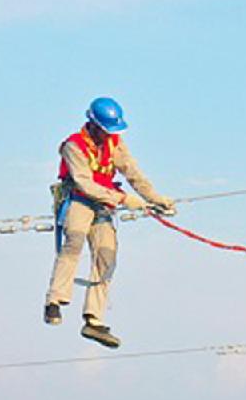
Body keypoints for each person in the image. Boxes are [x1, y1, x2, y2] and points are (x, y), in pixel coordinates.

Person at [44, 96, 175, 348]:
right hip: (79, 199)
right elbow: (84, 183)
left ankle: (93, 319)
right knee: (75, 240)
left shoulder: (115, 144)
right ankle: (55, 301)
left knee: (107, 254)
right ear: (93, 125)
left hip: (105, 204)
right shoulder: (74, 146)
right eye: (105, 130)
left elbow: (133, 173)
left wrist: (155, 198)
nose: (107, 135)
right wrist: (124, 199)